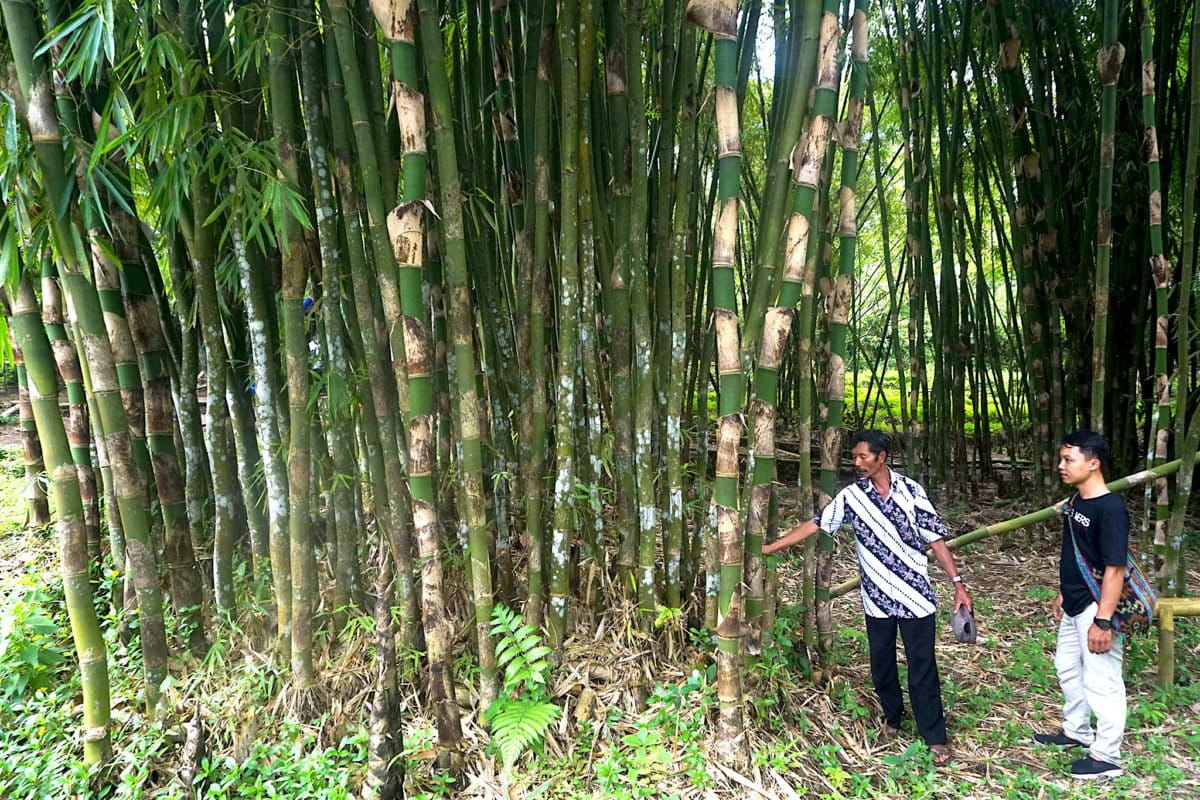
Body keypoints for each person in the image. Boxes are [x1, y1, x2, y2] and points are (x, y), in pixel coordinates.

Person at [764, 430, 971, 766]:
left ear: (882, 457)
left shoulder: (911, 491)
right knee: (882, 664)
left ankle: (935, 737)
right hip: (877, 597)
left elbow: (936, 540)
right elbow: (816, 524)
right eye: (855, 457)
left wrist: (958, 583)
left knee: (922, 668)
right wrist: (773, 546)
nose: (857, 463)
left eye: (863, 457)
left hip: (916, 595)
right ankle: (892, 718)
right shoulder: (852, 497)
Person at [1033, 430, 1128, 780]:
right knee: (1067, 668)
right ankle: (1077, 730)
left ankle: (1106, 756)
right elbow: (1079, 556)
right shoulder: (1075, 504)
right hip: (1074, 602)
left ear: (1093, 463)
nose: (1061, 466)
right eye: (1061, 459)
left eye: (1068, 459)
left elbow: (1115, 569)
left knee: (1102, 680)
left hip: (1096, 607)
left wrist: (1103, 621)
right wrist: (1063, 591)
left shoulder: (1110, 509)